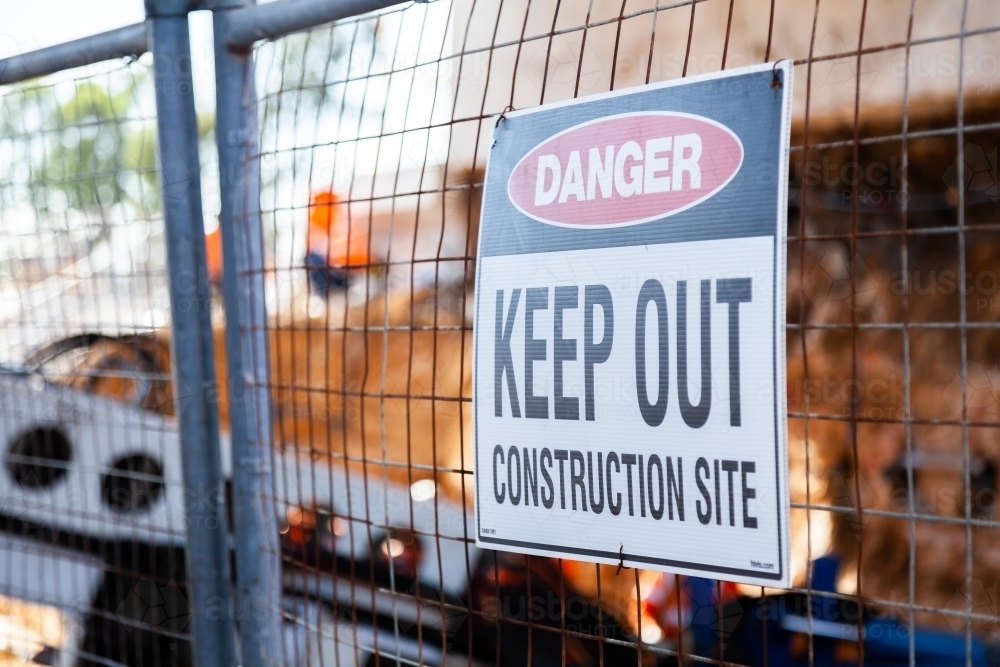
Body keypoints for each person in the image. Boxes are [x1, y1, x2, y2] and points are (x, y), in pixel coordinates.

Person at [305, 190, 374, 296]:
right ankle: (325, 294)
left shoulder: (343, 218)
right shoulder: (316, 221)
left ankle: (345, 290)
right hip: (328, 265)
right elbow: (315, 245)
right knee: (312, 259)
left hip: (345, 265)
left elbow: (356, 243)